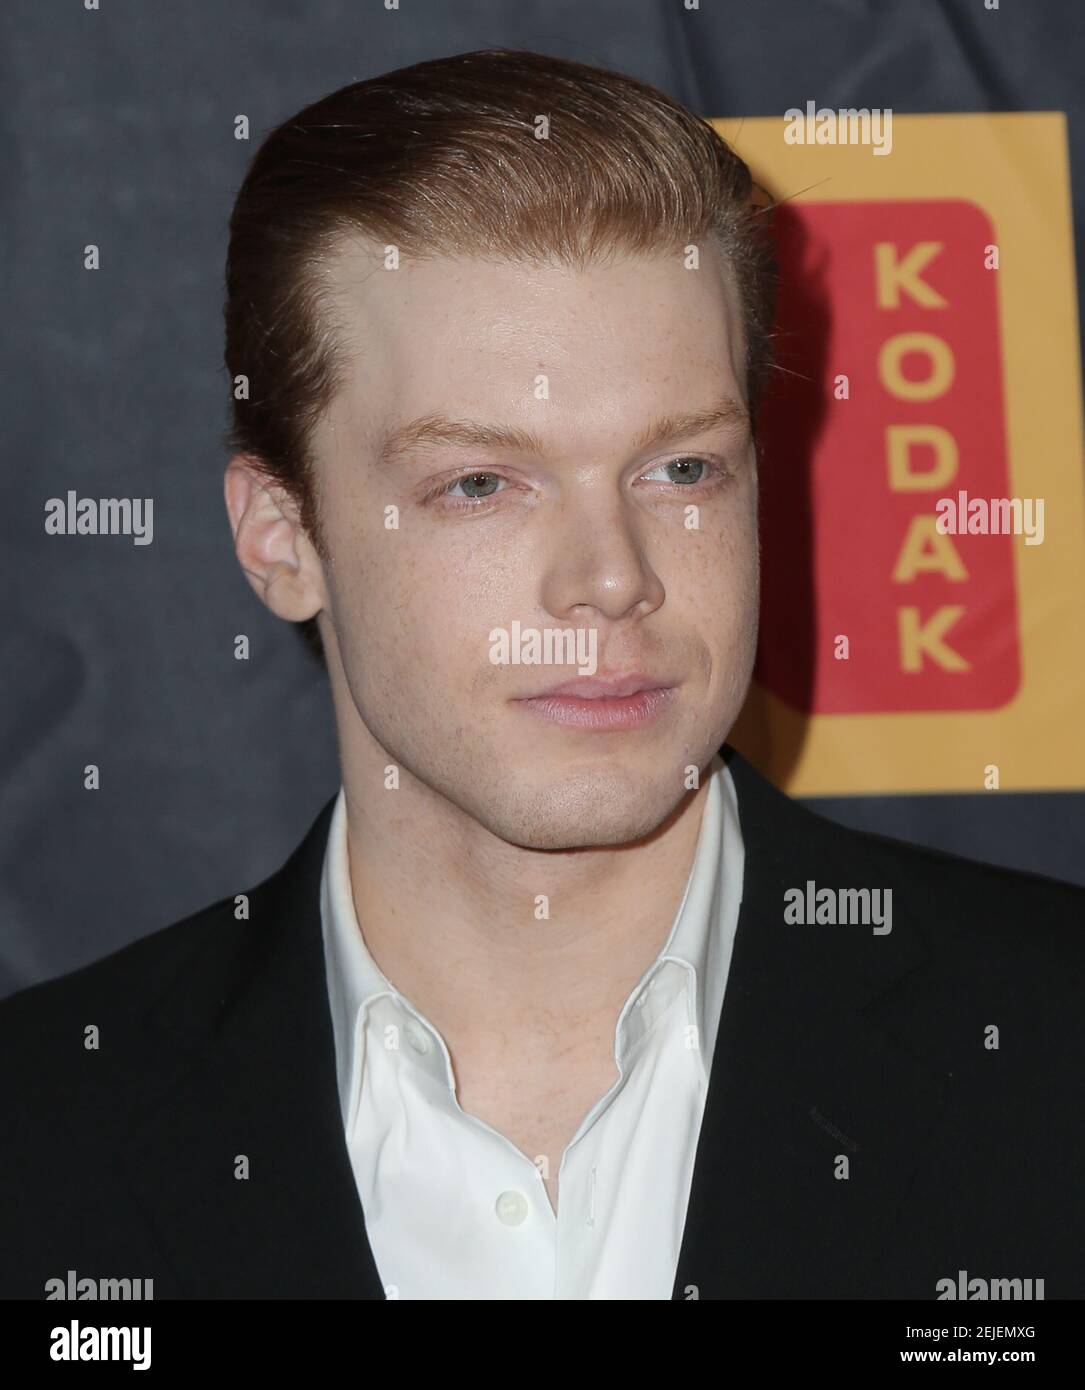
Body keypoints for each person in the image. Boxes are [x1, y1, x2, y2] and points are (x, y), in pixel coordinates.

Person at [2, 48, 1082, 1302]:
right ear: (283, 540)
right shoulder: (40, 1142)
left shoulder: (1049, 1053)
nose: (610, 579)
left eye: (679, 468)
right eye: (478, 484)